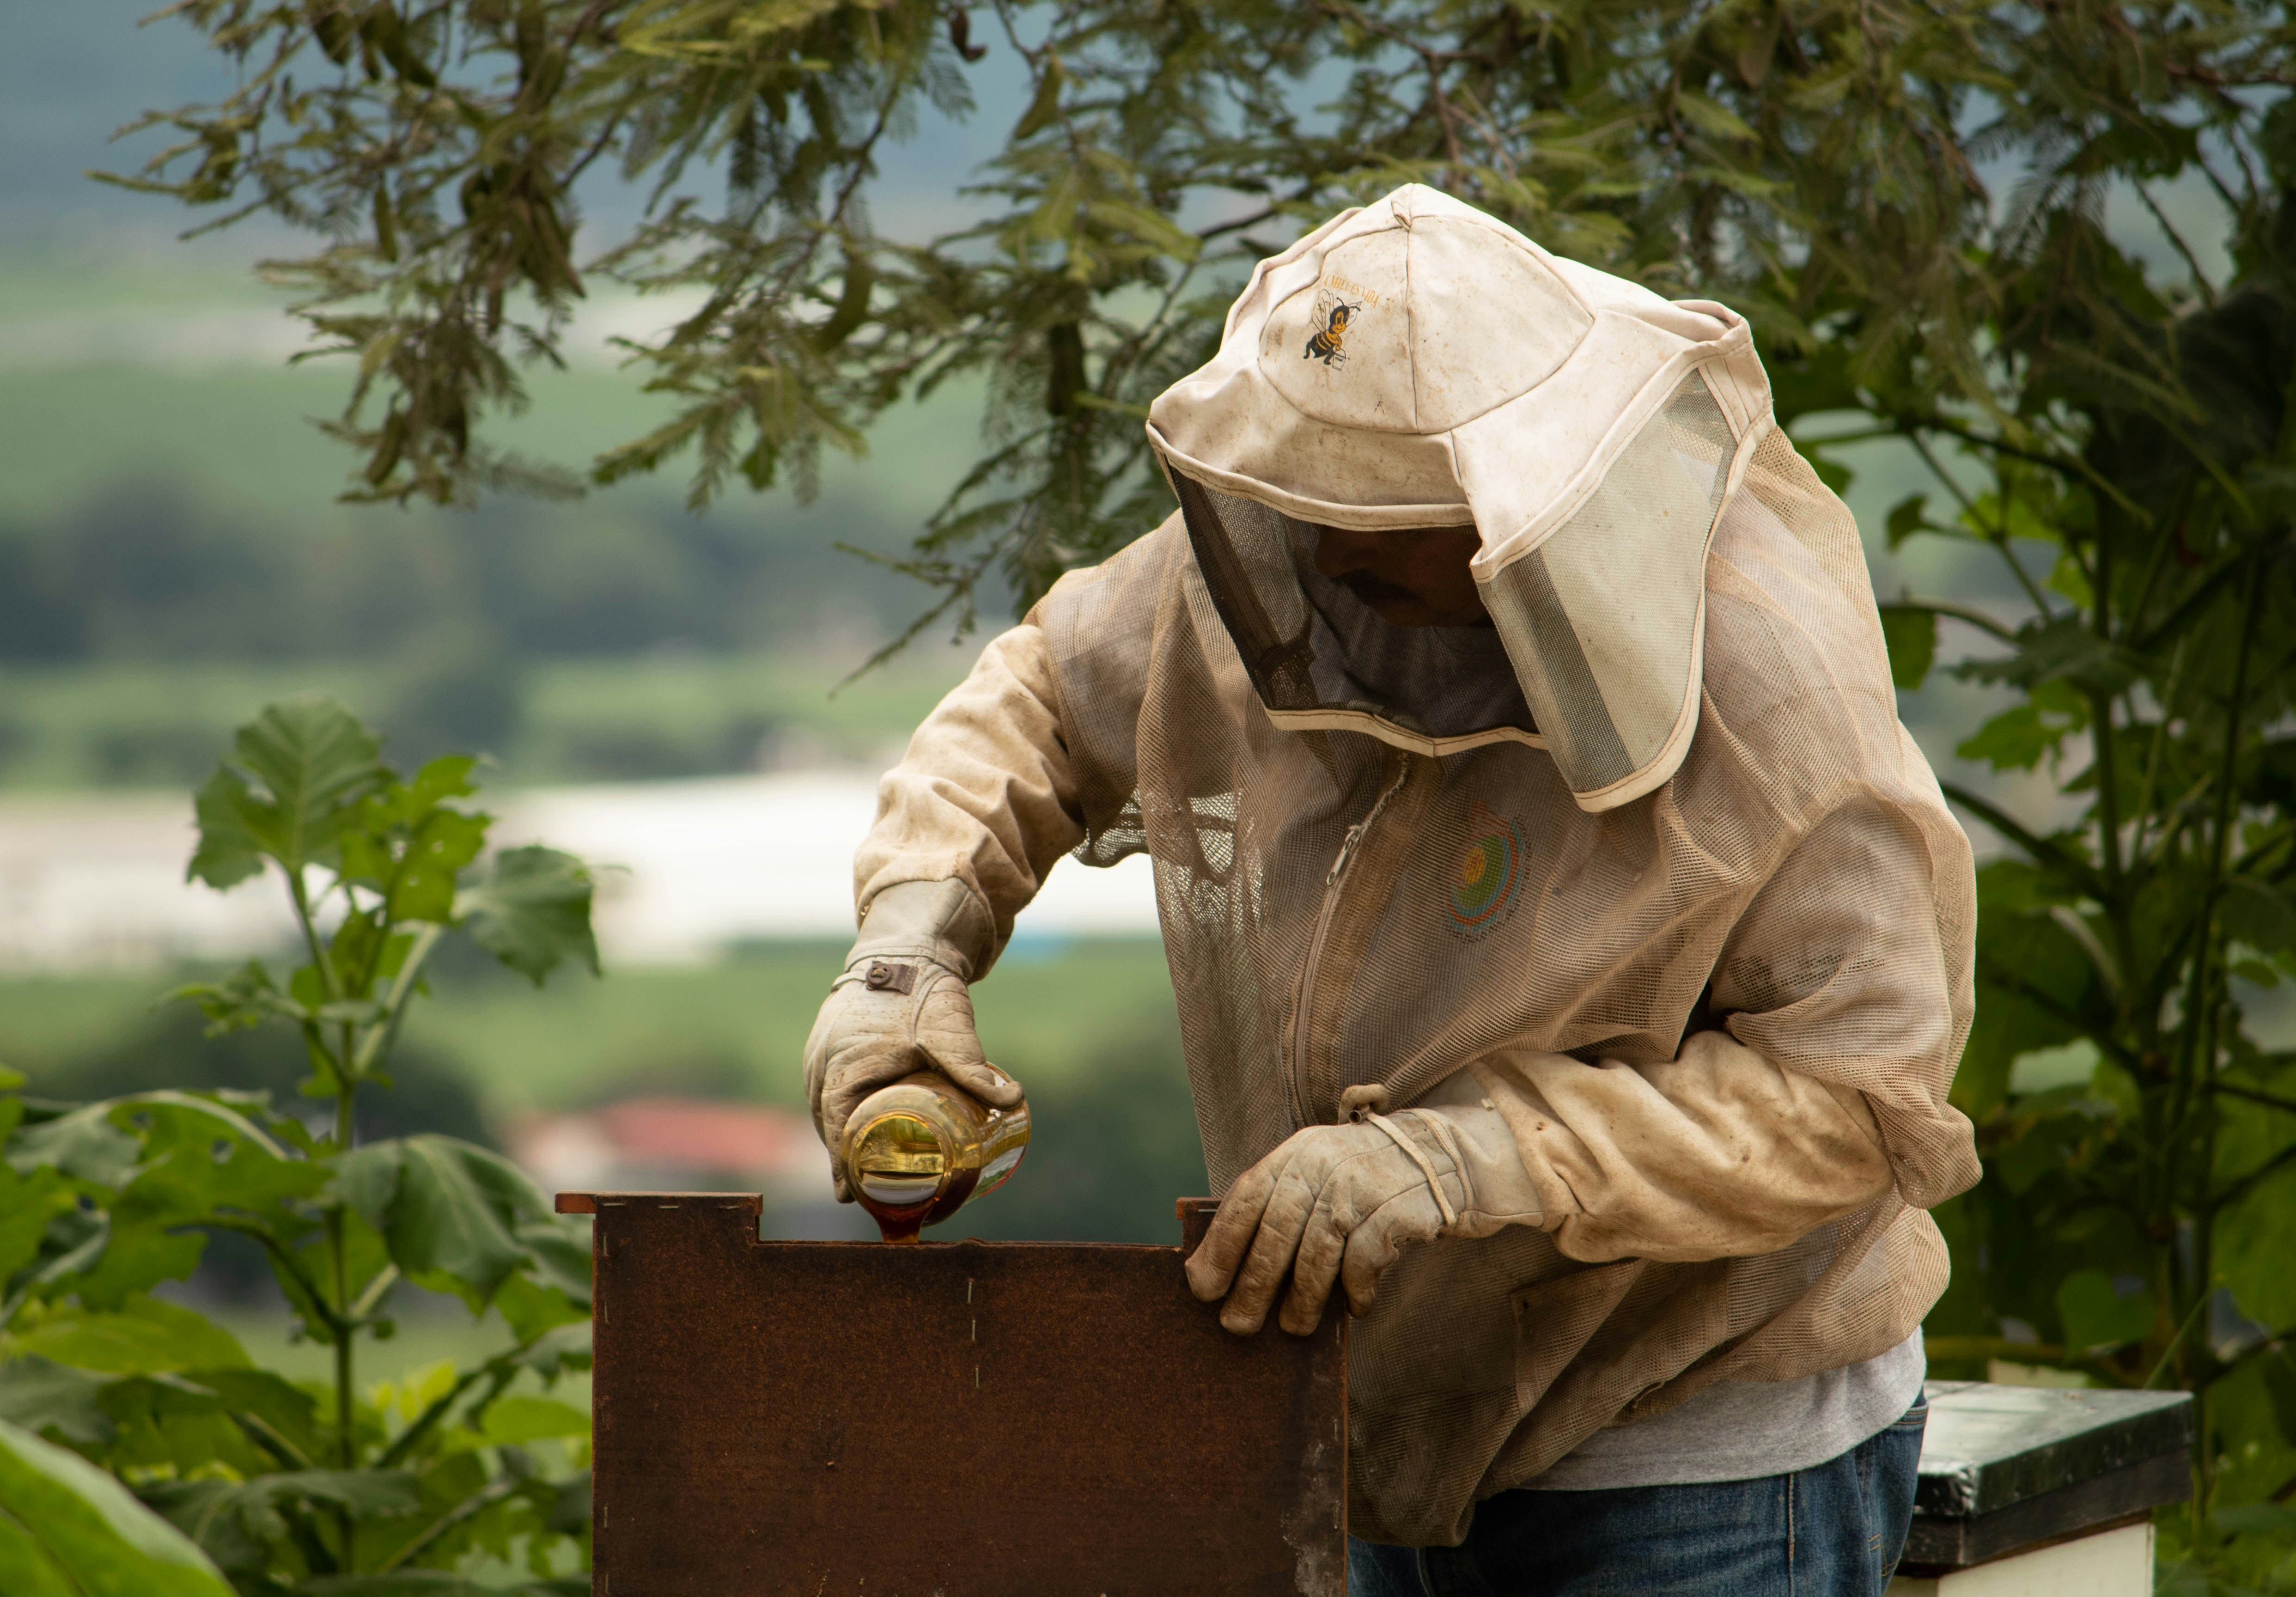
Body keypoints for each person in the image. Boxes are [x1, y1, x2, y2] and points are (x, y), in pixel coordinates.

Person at [801, 184, 1978, 1594]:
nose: (1325, 550)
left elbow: (1857, 1100)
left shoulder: (1772, 681)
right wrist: (903, 960)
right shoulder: (1298, 557)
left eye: (1378, 513)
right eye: (1302, 503)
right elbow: (1045, 696)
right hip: (1366, 1399)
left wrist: (1457, 1158)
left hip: (1695, 1442)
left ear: (1520, 491)